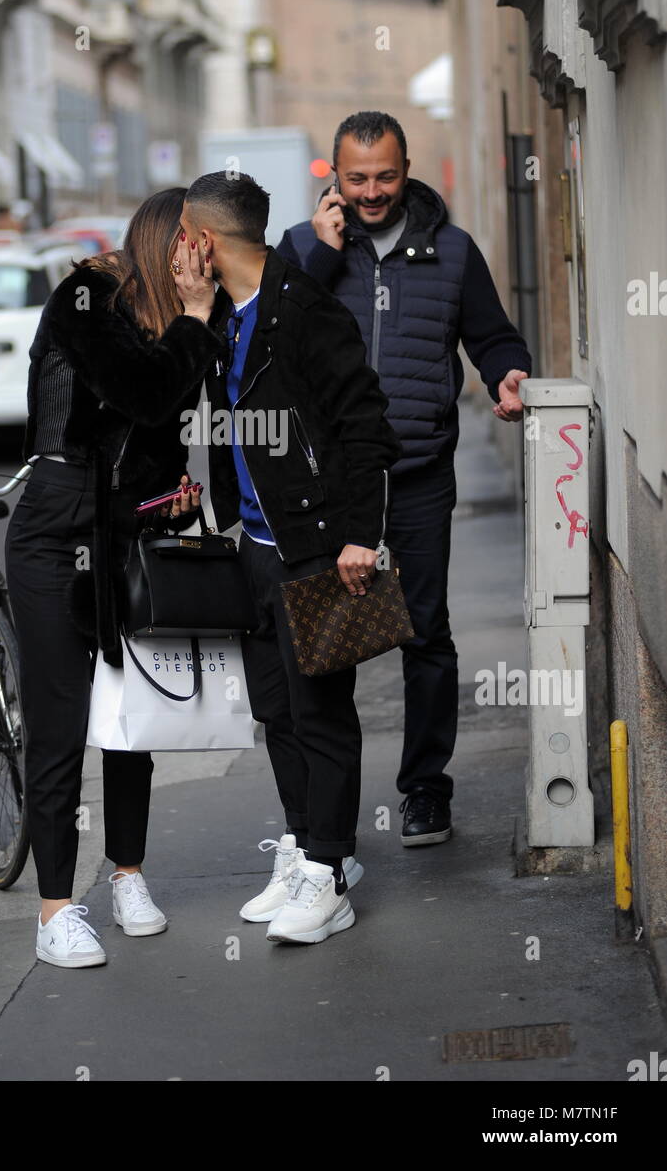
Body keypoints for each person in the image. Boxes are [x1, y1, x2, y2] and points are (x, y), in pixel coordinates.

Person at [277, 110, 532, 847]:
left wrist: (506, 373)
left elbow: (489, 334)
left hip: (417, 473)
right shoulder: (300, 248)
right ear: (332, 176)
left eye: (384, 176)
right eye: (355, 178)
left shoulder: (450, 251)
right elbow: (273, 339)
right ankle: (329, 819)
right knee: (331, 646)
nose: (371, 191)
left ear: (406, 168)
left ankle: (424, 790)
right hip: (330, 483)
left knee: (424, 635)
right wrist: (321, 259)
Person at [182, 171, 402, 945]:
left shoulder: (302, 310)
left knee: (321, 715)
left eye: (184, 237)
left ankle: (330, 874)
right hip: (256, 545)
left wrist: (358, 536)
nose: (180, 252)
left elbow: (364, 426)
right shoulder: (221, 318)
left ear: (205, 242)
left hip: (314, 544)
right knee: (277, 713)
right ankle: (309, 852)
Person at [5, 187, 223, 968]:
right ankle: (56, 908)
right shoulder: (87, 295)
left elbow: (182, 425)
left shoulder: (195, 312)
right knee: (60, 722)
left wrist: (176, 497)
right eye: (196, 242)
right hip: (55, 530)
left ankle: (128, 873)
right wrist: (197, 321)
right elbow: (142, 391)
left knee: (133, 719)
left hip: (133, 530)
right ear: (166, 242)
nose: (207, 257)